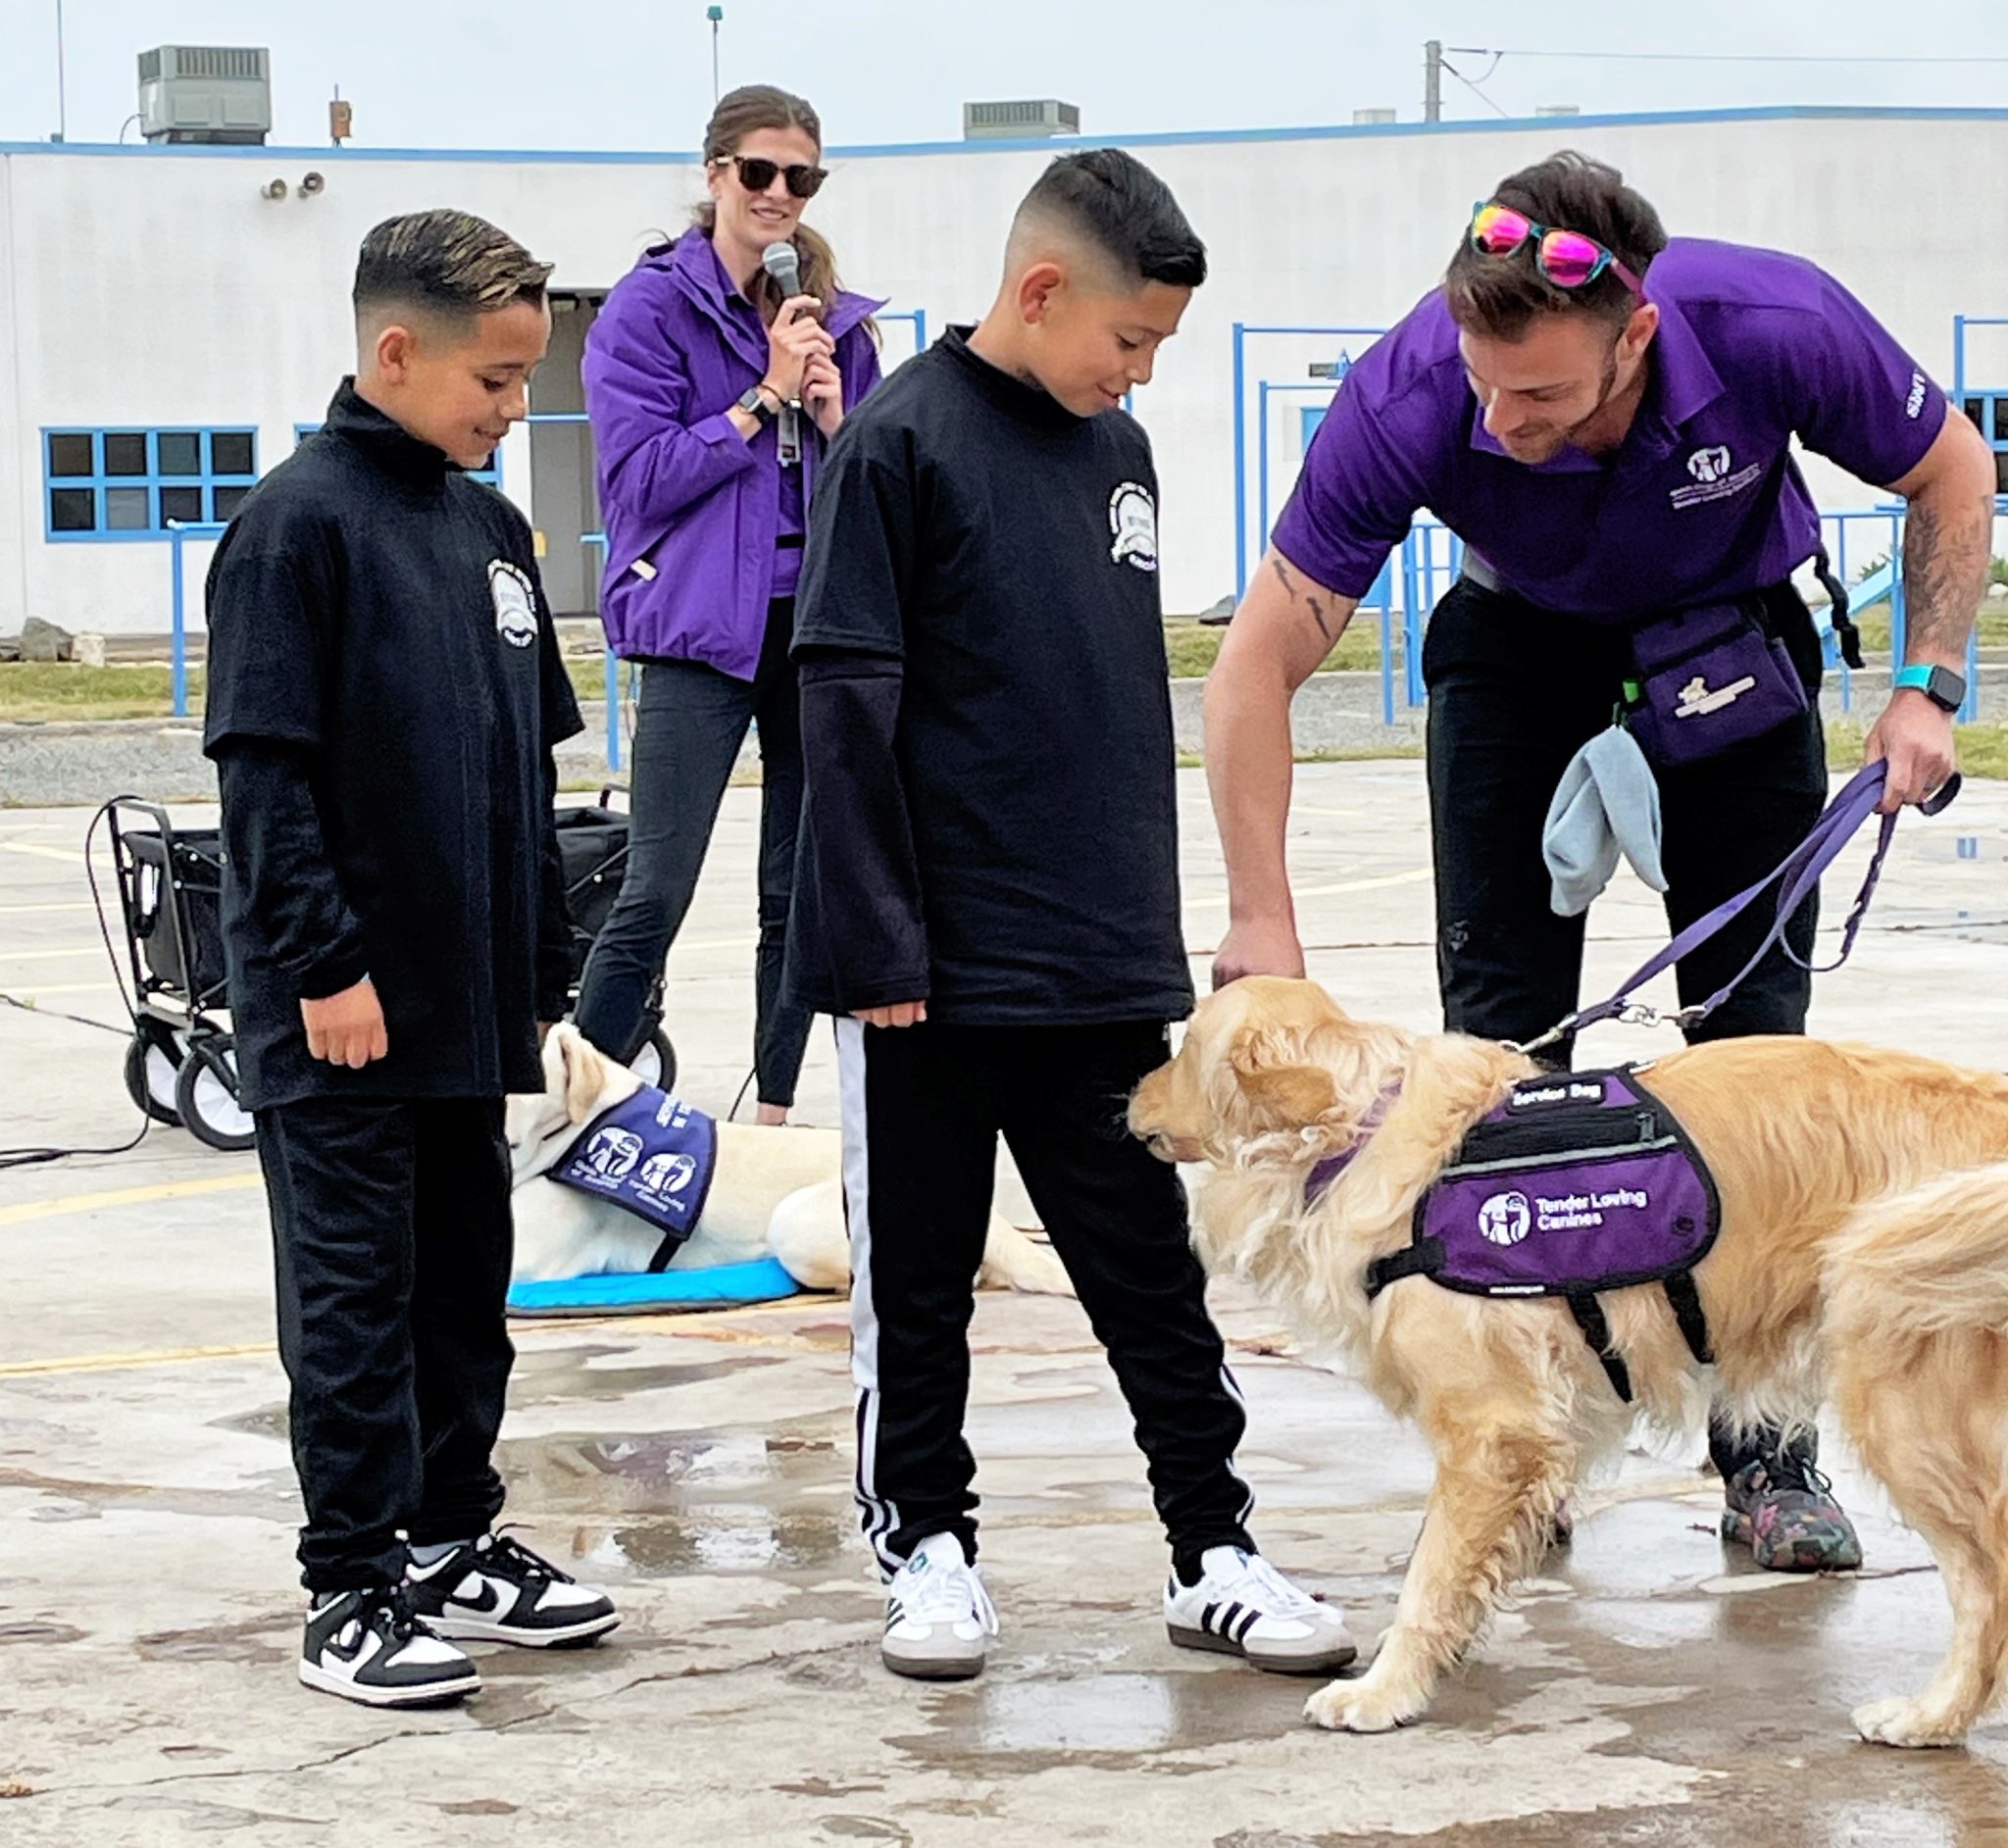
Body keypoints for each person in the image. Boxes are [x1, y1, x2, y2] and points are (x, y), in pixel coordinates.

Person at [1204, 151, 1996, 1573]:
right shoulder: (1409, 395)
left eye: (1547, 397)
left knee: (1755, 1057)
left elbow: (1952, 470)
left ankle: (1767, 1455)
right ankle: (1521, 1437)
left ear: (1635, 334)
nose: (1502, 423)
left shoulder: (1772, 323)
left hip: (1728, 639)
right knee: (1495, 1063)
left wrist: (1931, 681)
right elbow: (1255, 658)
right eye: (1486, 383)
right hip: (1519, 647)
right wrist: (1264, 915)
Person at [787, 149, 1357, 1682]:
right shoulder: (899, 445)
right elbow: (841, 710)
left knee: (1149, 1278)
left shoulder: (1122, 458)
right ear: (1040, 292)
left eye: (1159, 349)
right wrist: (877, 948)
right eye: (1129, 340)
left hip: (1098, 962)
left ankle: (1212, 1544)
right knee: (917, 1283)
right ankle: (927, 1546)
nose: (1140, 370)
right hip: (933, 977)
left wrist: (1150, 930)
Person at [203, 210, 619, 1709]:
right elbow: (265, 779)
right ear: (395, 352)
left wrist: (545, 973)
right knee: (356, 1297)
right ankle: (350, 1587)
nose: (516, 409)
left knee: (462, 1286)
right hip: (344, 1019)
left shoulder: (487, 531)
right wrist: (324, 967)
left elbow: (525, 770)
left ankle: (451, 1539)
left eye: (522, 381)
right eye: (495, 381)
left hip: (466, 1010)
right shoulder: (295, 530)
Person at [574, 83, 882, 1122]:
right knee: (654, 886)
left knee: (797, 896)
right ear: (713, 177)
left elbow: (880, 500)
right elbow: (639, 483)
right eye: (757, 172)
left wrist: (840, 421)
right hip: (700, 630)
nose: (777, 194)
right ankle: (575, 1109)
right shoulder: (648, 309)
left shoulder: (835, 317)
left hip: (815, 627)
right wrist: (759, 399)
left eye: (800, 177)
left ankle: (774, 1115)